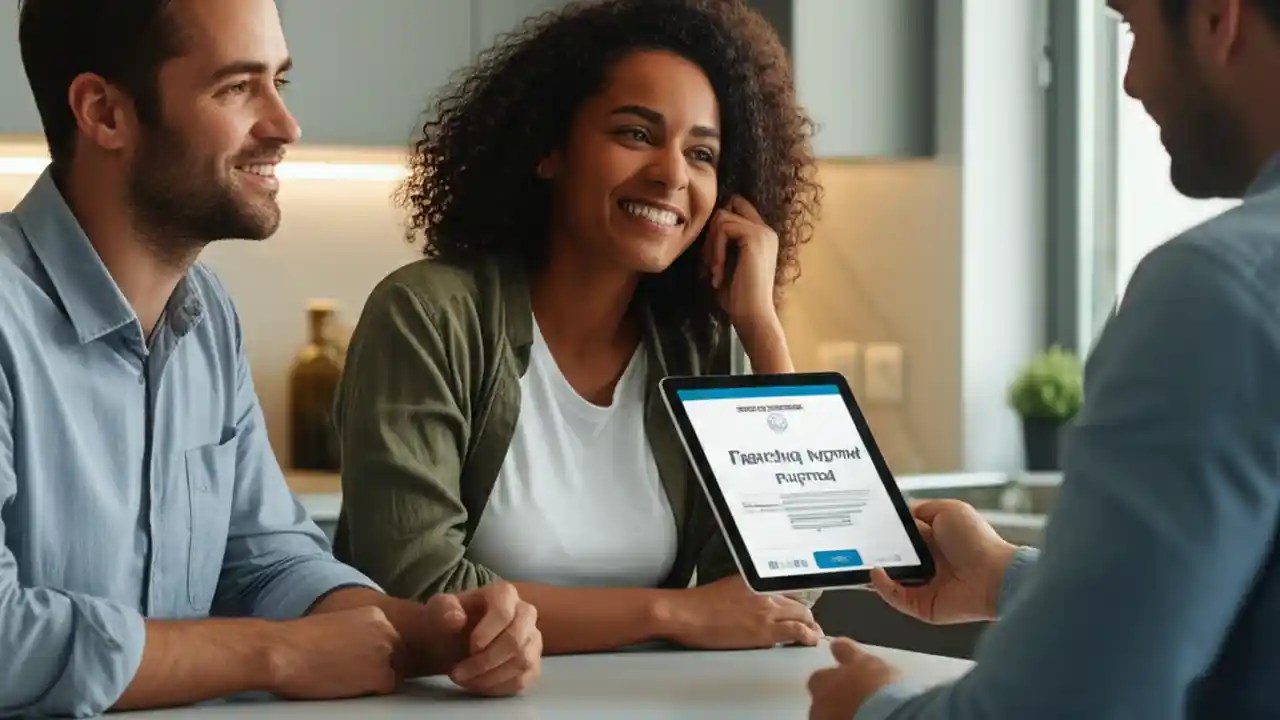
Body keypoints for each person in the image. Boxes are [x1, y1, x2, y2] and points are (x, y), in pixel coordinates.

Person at [0, 1, 541, 716]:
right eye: (236, 87)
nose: (285, 125)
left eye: (278, 82)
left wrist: (427, 632)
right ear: (104, 113)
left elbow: (266, 559)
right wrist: (274, 654)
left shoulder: (207, 316)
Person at [807, 0, 1280, 717]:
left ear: (1219, 19)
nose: (1130, 80)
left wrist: (869, 708)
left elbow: (1067, 706)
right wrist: (1004, 575)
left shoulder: (1217, 291)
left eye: (1133, 28)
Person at [334, 0, 826, 655]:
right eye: (636, 134)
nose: (672, 174)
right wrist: (673, 614)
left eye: (701, 153)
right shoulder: (429, 315)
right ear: (549, 149)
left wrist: (762, 330)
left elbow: (782, 593)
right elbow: (420, 587)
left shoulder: (696, 346)